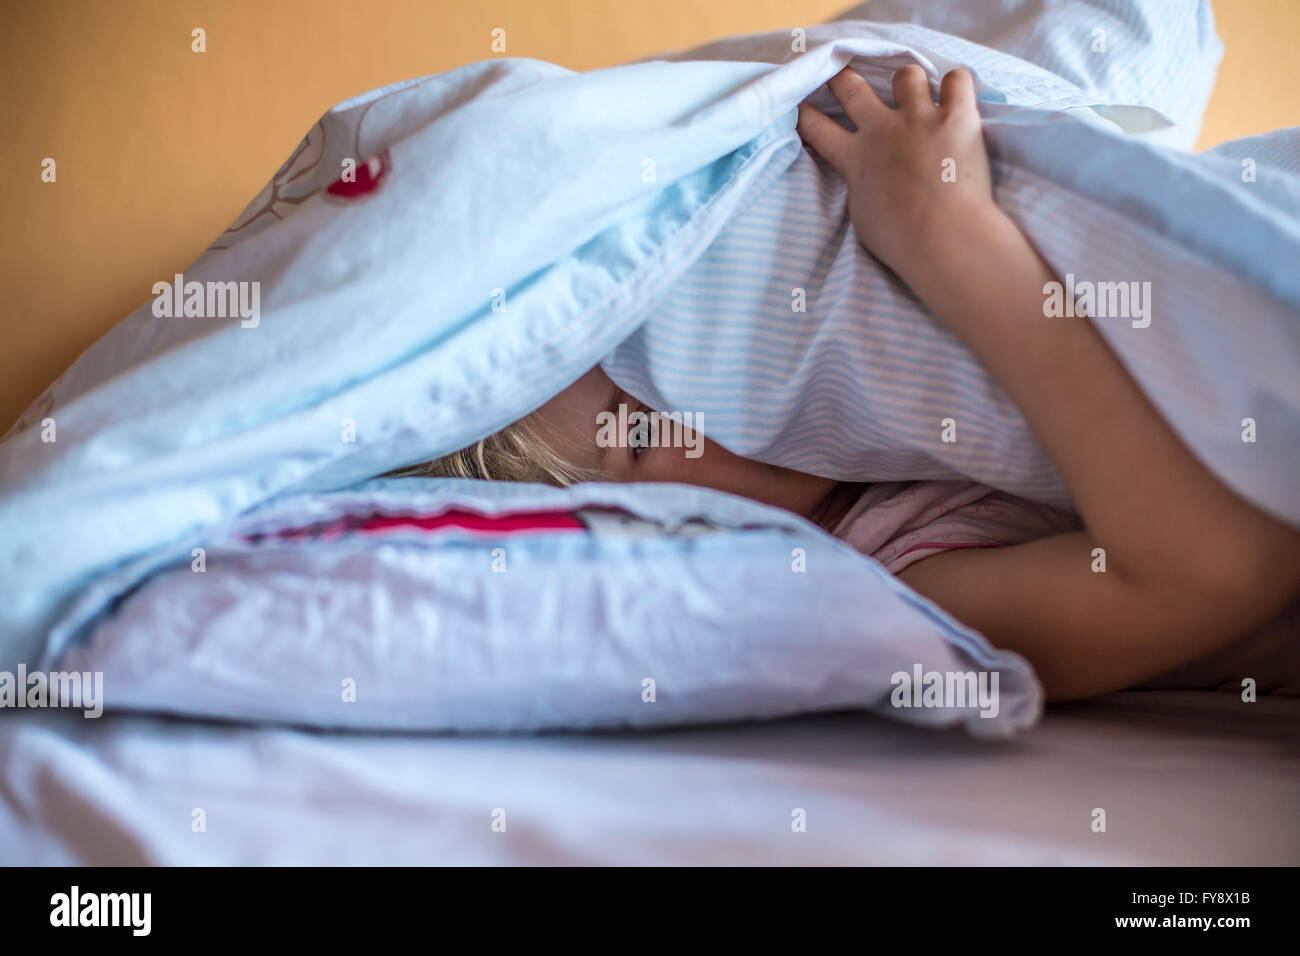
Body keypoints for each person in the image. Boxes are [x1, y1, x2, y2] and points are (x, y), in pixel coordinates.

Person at [391, 66, 1300, 702]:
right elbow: (1219, 569)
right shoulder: (896, 589)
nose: (685, 395)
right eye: (637, 434)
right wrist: (953, 244)